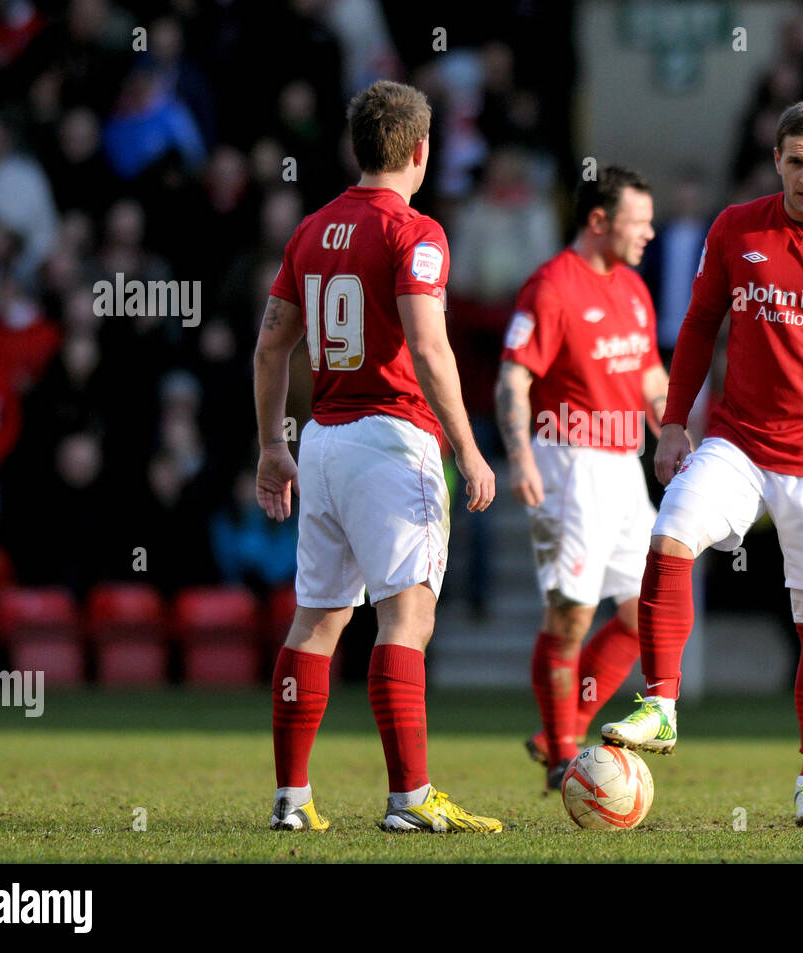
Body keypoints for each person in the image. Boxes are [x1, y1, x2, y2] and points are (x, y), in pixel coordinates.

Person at [600, 102, 803, 826]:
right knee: (671, 533)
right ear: (777, 161)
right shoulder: (736, 227)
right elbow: (699, 322)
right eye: (794, 160)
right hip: (739, 443)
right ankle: (662, 702)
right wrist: (674, 423)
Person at [254, 80, 501, 834]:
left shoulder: (311, 229)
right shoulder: (417, 232)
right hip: (393, 437)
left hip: (322, 441)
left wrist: (272, 444)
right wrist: (467, 444)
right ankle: (409, 797)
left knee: (316, 623)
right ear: (422, 150)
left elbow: (271, 345)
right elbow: (428, 346)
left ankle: (292, 800)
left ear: (353, 147)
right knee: (407, 616)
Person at [495, 166, 668, 790]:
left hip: (624, 469)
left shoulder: (633, 290)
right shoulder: (551, 287)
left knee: (647, 614)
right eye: (638, 222)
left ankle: (558, 733)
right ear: (599, 221)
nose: (649, 233)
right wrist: (519, 459)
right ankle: (565, 751)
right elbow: (513, 377)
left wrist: (677, 440)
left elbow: (651, 381)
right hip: (569, 465)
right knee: (569, 617)